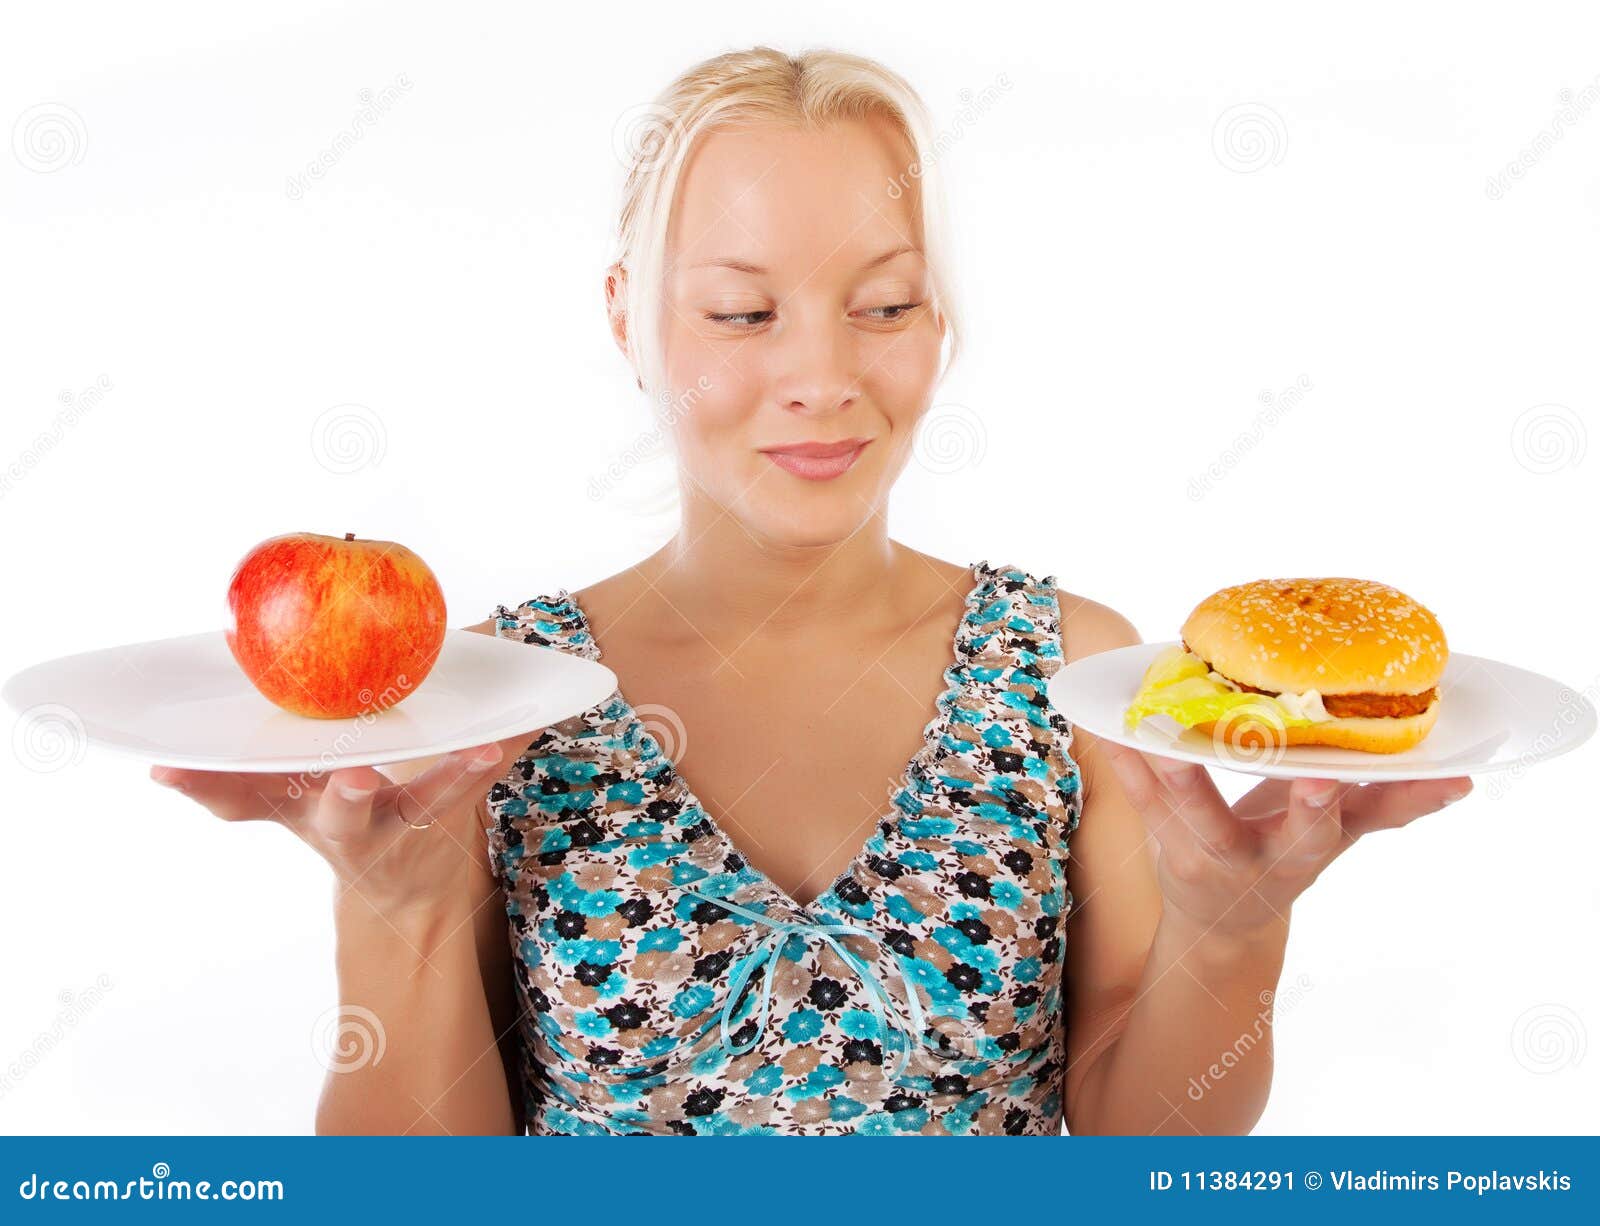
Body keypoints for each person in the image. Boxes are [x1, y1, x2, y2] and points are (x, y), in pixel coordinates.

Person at [150, 45, 1473, 1136]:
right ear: (629, 318)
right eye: (742, 313)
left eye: (884, 305)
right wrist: (398, 913)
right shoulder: (503, 700)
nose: (825, 374)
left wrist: (1232, 934)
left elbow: (1143, 1147)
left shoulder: (1072, 668)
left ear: (939, 324)